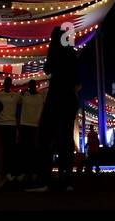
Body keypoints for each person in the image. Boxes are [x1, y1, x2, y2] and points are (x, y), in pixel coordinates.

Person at [27, 23, 80, 192]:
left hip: (56, 98)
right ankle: (67, 181)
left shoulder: (55, 50)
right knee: (66, 139)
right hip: (70, 100)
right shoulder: (72, 53)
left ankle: (43, 179)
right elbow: (79, 82)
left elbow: (47, 69)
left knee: (45, 138)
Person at [0, 76, 20, 187]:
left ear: (11, 84)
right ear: (4, 83)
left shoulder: (16, 95)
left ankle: (9, 172)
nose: (7, 84)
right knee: (0, 149)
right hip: (0, 125)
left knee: (10, 150)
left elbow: (30, 98)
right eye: (6, 82)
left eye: (9, 82)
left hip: (11, 125)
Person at [17, 79, 45, 181]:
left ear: (36, 85)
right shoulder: (24, 95)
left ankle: (34, 172)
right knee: (24, 151)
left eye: (33, 85)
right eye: (30, 85)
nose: (32, 86)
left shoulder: (41, 96)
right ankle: (24, 172)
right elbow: (16, 100)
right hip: (24, 125)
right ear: (29, 86)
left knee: (34, 151)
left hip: (36, 126)